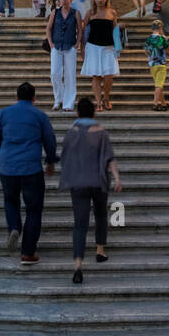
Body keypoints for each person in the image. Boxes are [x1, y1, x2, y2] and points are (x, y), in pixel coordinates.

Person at [0, 81, 57, 264]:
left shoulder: (4, 113)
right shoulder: (39, 115)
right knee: (34, 210)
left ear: (16, 97)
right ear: (34, 98)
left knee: (10, 201)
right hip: (31, 168)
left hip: (8, 167)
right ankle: (27, 253)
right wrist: (50, 161)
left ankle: (14, 228)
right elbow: (50, 140)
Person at [60, 96, 122, 283]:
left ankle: (78, 264)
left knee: (80, 224)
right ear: (94, 112)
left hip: (78, 183)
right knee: (101, 215)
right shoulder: (101, 132)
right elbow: (109, 158)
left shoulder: (71, 133)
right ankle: (100, 251)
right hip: (98, 182)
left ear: (77, 112)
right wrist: (117, 178)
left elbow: (64, 158)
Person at [80, 0, 122, 111]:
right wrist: (82, 47)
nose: (100, 0)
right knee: (96, 76)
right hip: (93, 47)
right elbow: (83, 31)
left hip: (109, 47)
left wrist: (118, 48)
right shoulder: (90, 13)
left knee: (109, 75)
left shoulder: (112, 13)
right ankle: (98, 102)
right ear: (94, 0)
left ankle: (106, 98)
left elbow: (115, 30)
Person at [47, 0, 81, 112]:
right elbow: (48, 28)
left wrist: (78, 43)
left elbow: (80, 30)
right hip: (56, 46)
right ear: (59, 1)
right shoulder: (54, 13)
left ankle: (69, 103)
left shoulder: (76, 13)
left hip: (70, 46)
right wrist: (50, 43)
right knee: (54, 74)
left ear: (71, 0)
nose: (64, 1)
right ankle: (58, 99)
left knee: (70, 75)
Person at [145, 19, 169, 112]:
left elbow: (146, 52)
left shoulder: (148, 39)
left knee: (158, 85)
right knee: (159, 85)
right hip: (161, 64)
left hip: (152, 65)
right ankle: (155, 104)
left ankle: (163, 104)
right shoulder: (163, 38)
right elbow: (168, 50)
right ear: (160, 28)